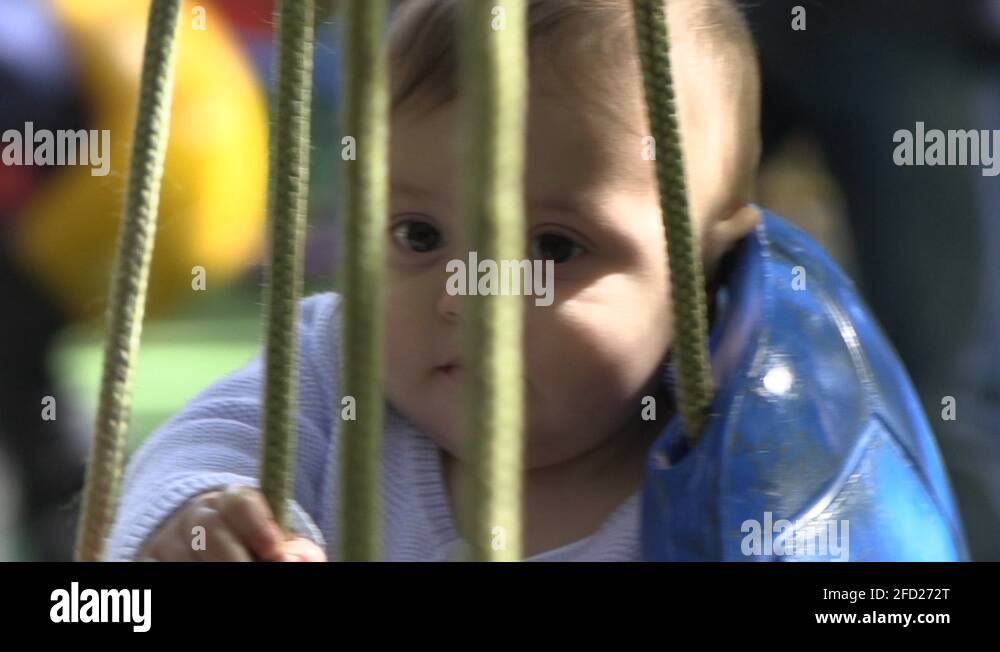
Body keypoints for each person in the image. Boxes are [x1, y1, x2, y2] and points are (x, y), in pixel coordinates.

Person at [107, 0, 965, 562]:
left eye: (554, 248)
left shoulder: (741, 468)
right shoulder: (341, 365)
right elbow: (204, 443)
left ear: (707, 270)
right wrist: (198, 520)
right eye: (417, 234)